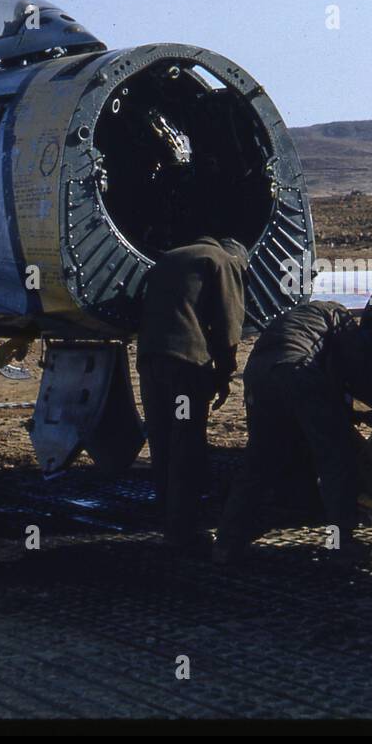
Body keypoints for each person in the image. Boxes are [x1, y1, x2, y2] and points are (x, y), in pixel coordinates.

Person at [214, 300, 372, 568]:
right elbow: (356, 371)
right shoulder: (340, 319)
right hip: (296, 372)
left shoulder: (296, 317)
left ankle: (227, 542)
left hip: (258, 376)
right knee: (336, 460)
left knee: (259, 461)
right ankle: (341, 545)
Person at [136, 236, 248, 557]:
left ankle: (168, 523)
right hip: (185, 366)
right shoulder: (222, 262)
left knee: (162, 442)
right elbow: (228, 324)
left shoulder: (171, 255)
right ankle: (182, 532)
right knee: (186, 444)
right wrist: (224, 374)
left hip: (149, 362)